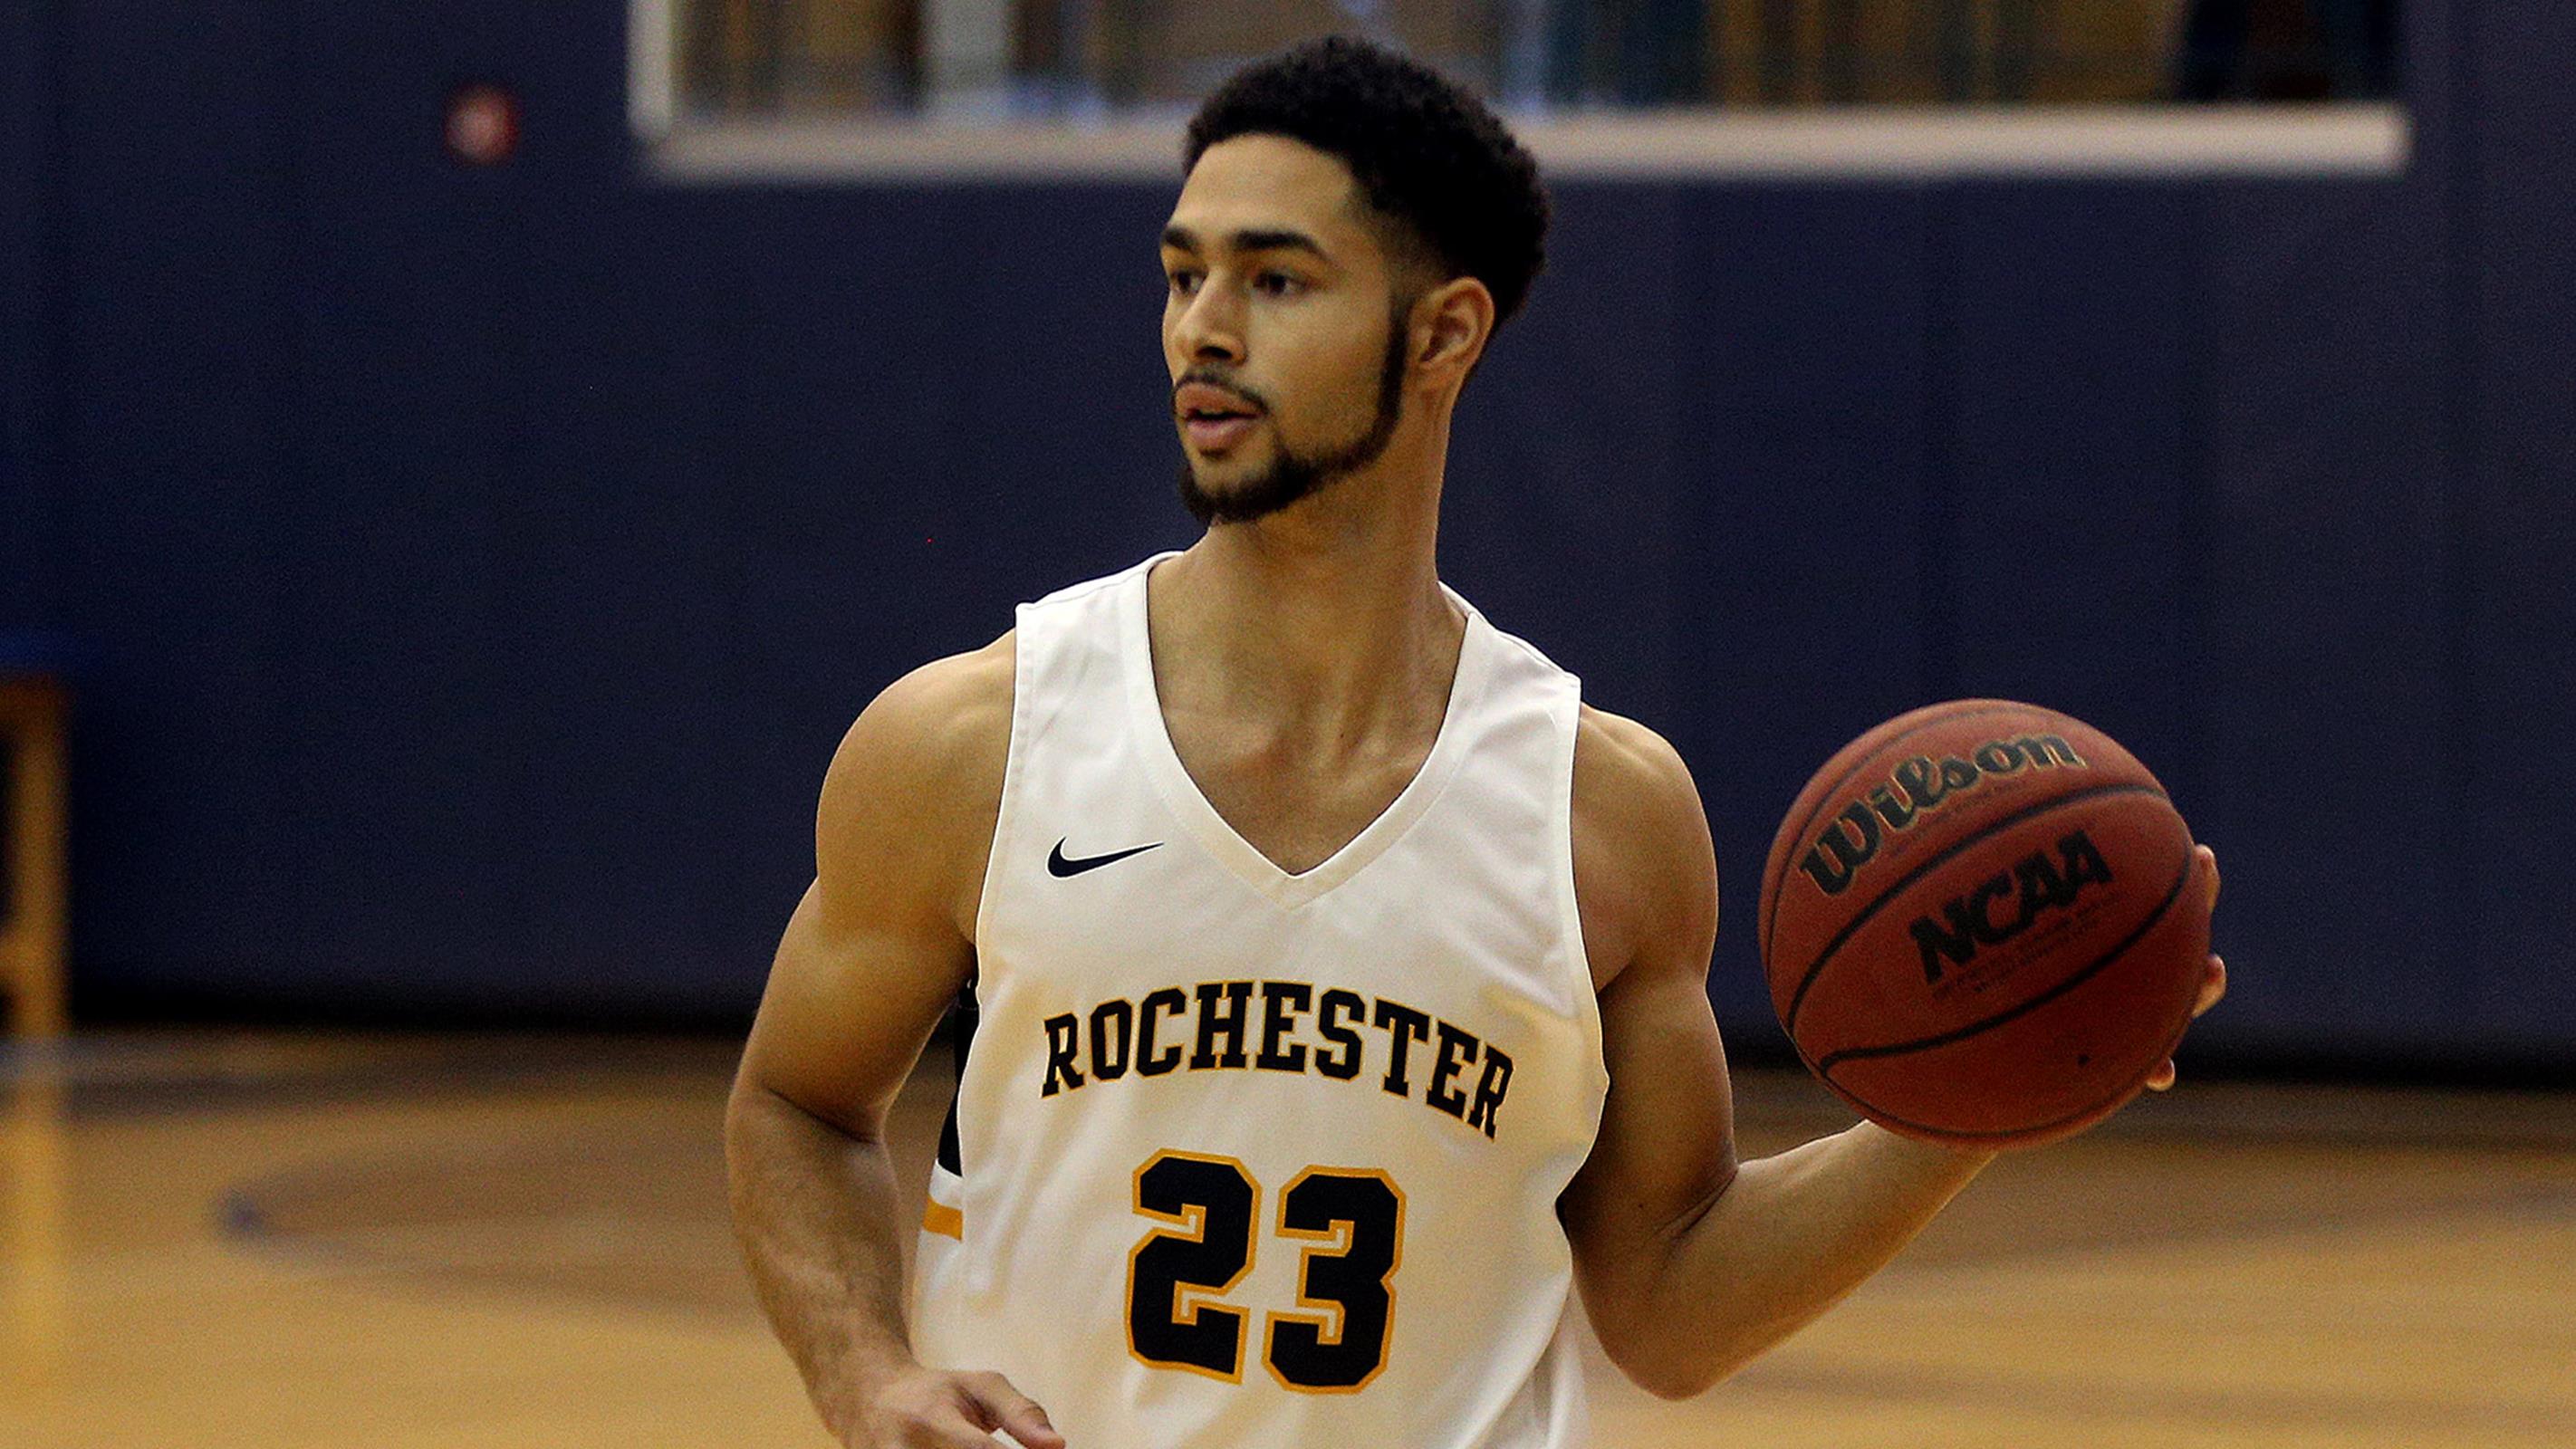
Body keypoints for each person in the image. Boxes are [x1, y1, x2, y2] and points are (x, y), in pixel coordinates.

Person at [725, 35, 2225, 1449]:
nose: (1204, 327)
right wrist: (866, 1373)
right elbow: (797, 1102)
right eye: (1184, 274)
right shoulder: (975, 744)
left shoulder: (1602, 818)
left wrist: (1975, 1101)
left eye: (1276, 278)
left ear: (1443, 332)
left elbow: (1672, 1307)